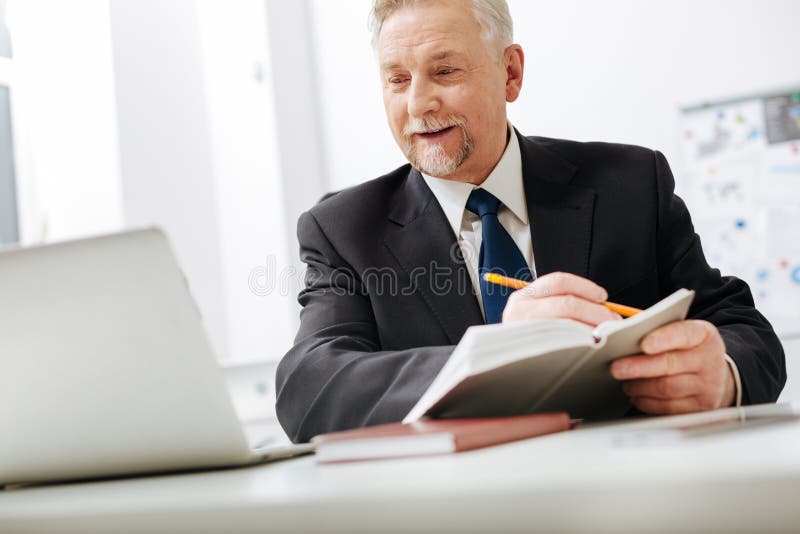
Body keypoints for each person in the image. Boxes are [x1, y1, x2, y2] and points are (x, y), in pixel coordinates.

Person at [275, 0, 785, 443]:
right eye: (398, 80)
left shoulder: (631, 183)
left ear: (510, 73)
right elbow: (310, 387)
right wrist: (494, 356)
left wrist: (723, 374)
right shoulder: (344, 229)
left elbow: (742, 327)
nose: (418, 104)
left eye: (445, 72)